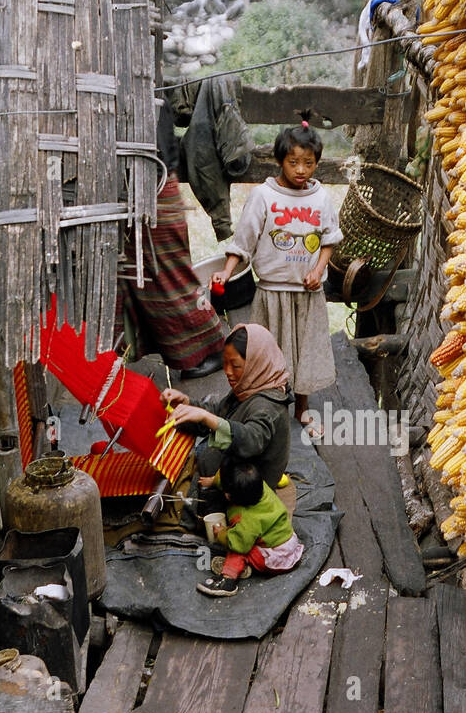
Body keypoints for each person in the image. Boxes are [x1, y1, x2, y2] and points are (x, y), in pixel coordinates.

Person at [210, 122, 341, 436]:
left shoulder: (320, 198)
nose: (301, 170)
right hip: (271, 292)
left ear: (317, 163)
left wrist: (318, 270)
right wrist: (226, 272)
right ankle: (269, 410)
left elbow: (329, 240)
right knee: (269, 355)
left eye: (308, 163)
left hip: (307, 293)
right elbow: (243, 240)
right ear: (280, 160)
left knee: (305, 351)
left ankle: (302, 408)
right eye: (293, 162)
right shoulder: (264, 196)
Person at [116, 99, 226, 379]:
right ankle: (164, 347)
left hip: (155, 185)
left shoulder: (144, 92)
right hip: (132, 185)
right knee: (134, 276)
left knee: (168, 273)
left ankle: (211, 347)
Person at [161, 323, 292, 528]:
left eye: (236, 365)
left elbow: (251, 440)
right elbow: (219, 410)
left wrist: (205, 417)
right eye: (224, 364)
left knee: (178, 510)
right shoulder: (249, 387)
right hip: (223, 478)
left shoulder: (267, 407)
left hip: (245, 493)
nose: (228, 372)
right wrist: (186, 403)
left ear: (256, 364)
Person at [196, 454, 304, 598]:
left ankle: (228, 580)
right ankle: (246, 567)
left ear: (229, 496)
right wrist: (213, 481)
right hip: (288, 543)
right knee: (245, 537)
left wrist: (221, 533)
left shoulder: (248, 519)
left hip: (276, 558)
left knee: (238, 547)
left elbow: (240, 544)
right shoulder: (258, 487)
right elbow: (232, 479)